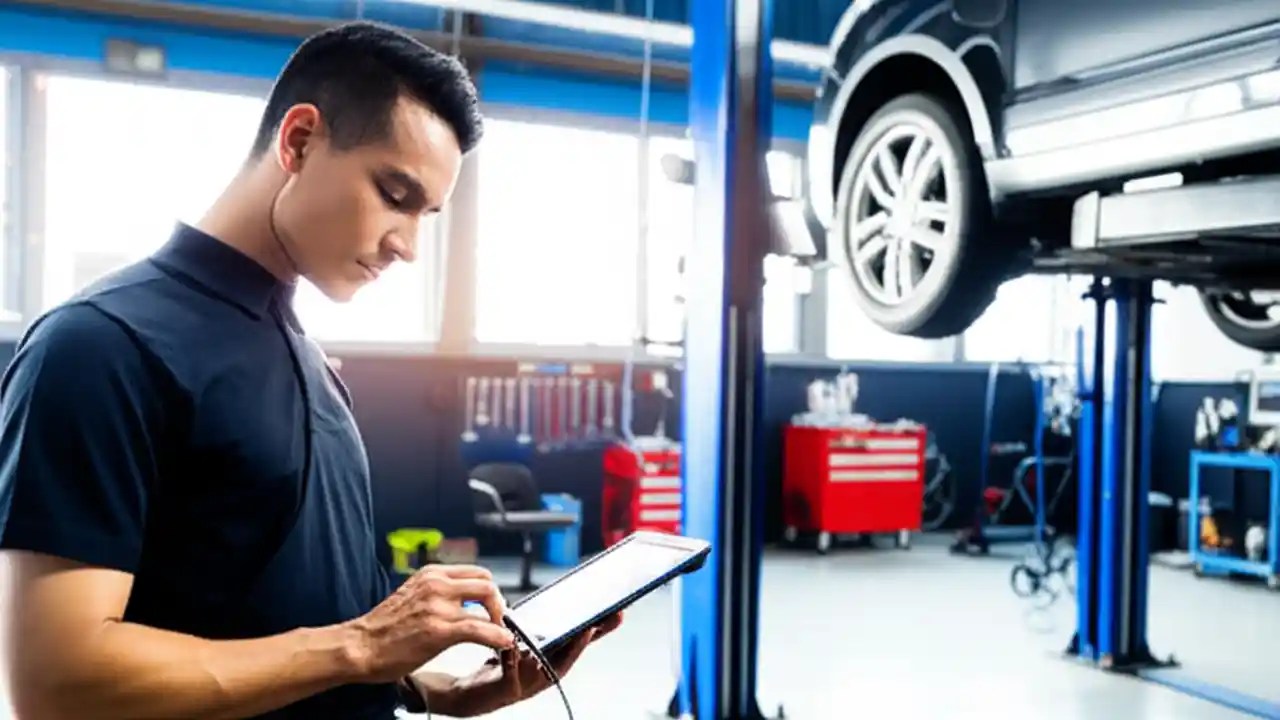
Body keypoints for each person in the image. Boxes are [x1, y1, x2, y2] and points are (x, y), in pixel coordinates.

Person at [0, 20, 618, 720]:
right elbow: (55, 685)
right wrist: (361, 646)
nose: (409, 246)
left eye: (427, 215)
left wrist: (438, 689)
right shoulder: (99, 347)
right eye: (395, 195)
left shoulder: (309, 363)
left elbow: (294, 613)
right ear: (298, 141)